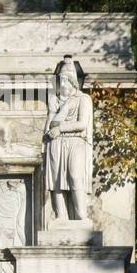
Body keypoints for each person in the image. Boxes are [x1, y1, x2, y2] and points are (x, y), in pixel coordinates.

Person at [44, 55, 93, 220]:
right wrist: (52, 111)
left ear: (74, 82)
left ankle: (81, 216)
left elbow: (82, 124)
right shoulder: (56, 101)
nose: (63, 84)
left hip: (76, 141)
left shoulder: (83, 99)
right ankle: (61, 216)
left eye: (66, 80)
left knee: (74, 175)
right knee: (57, 180)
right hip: (57, 143)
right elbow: (49, 126)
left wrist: (61, 129)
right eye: (61, 80)